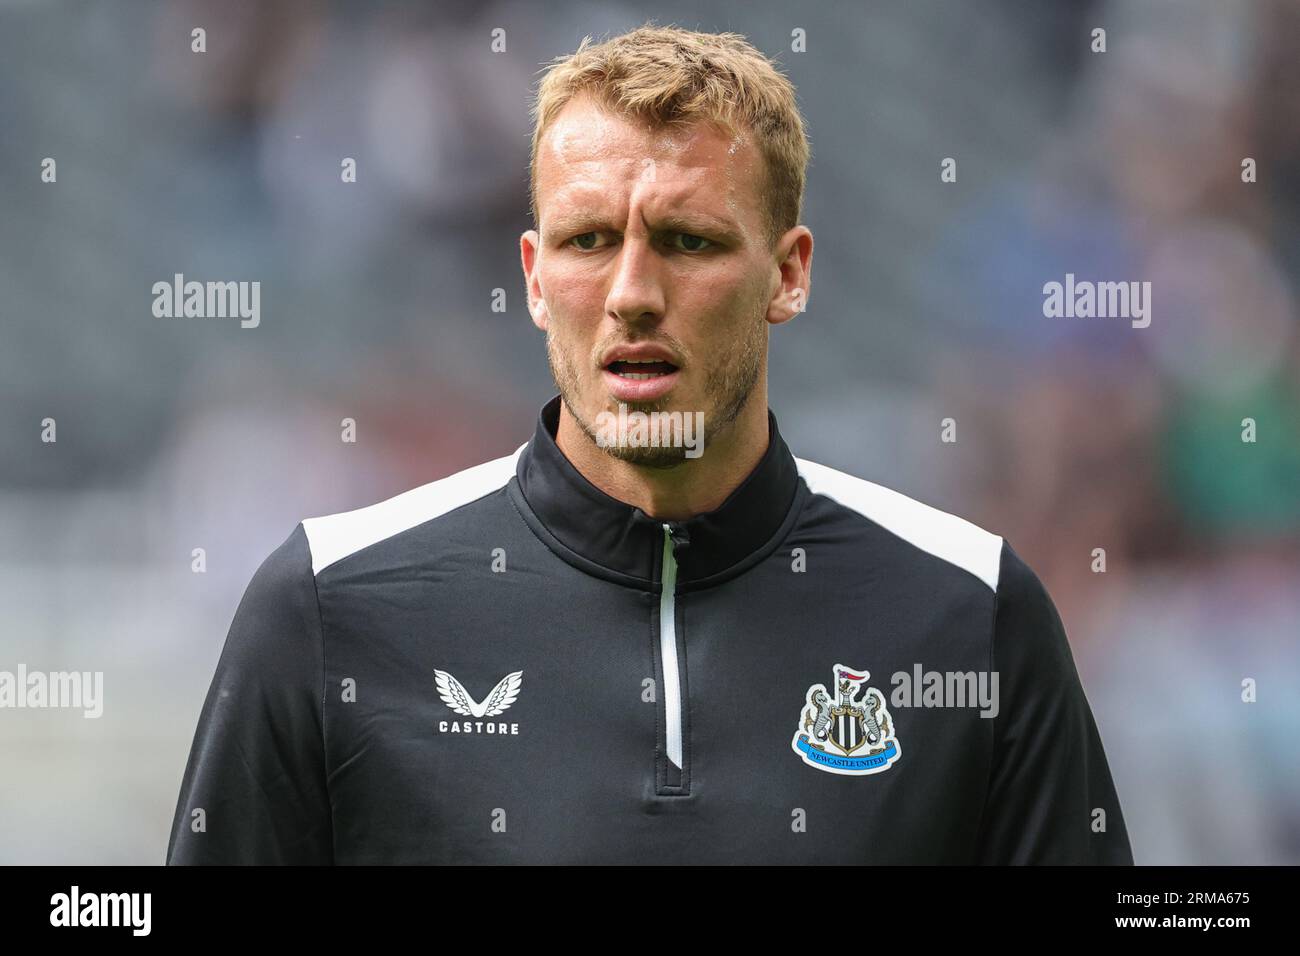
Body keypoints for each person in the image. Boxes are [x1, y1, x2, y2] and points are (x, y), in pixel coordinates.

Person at [166, 24, 1132, 865]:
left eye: (688, 241)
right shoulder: (328, 605)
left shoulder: (968, 609)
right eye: (589, 240)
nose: (631, 291)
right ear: (535, 279)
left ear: (788, 275)